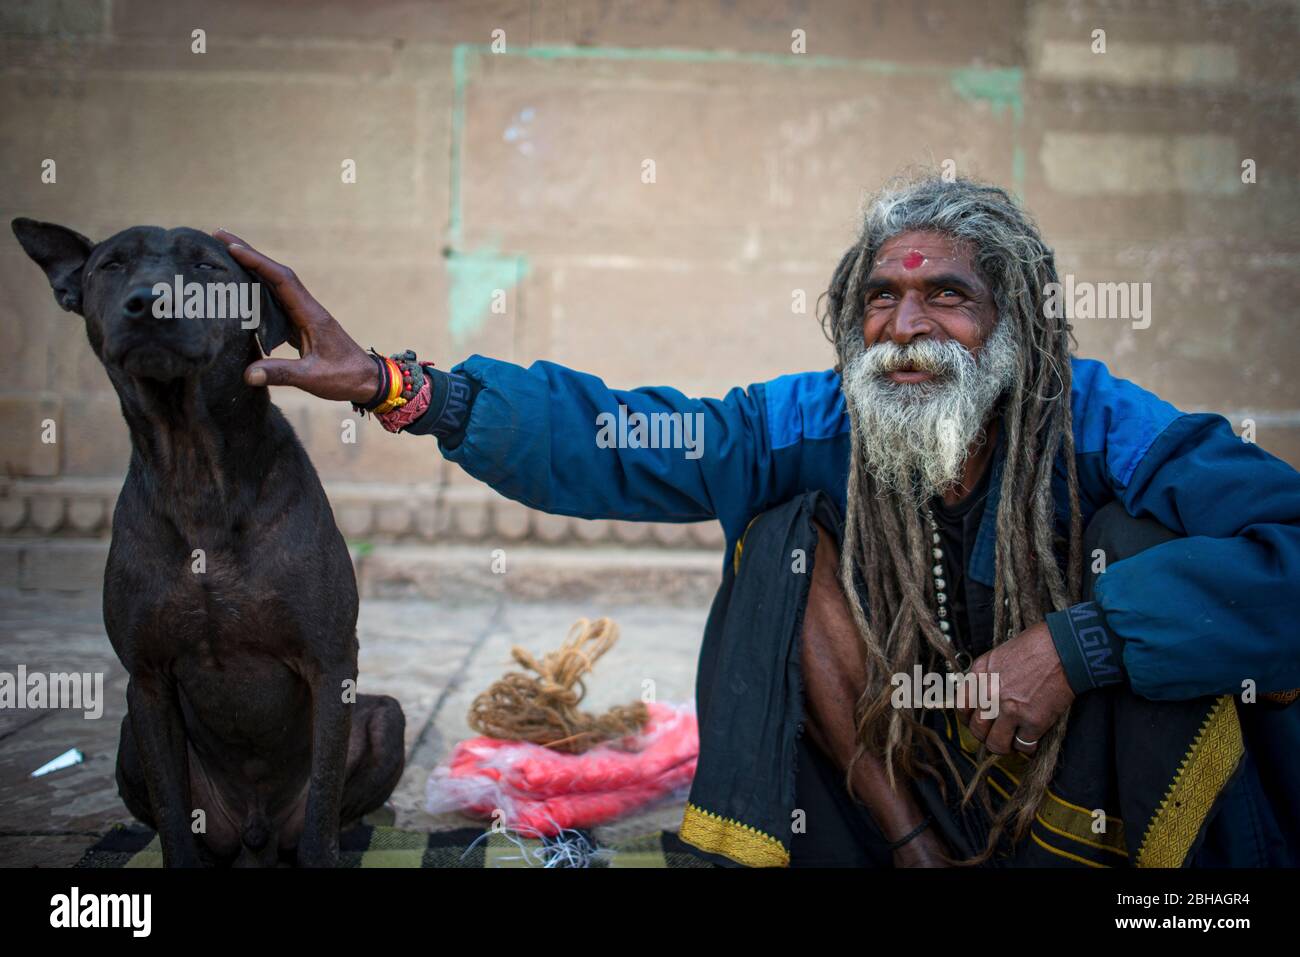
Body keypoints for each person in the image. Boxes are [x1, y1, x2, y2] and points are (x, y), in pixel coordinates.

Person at [213, 173, 1300, 867]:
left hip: (1083, 794)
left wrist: (1080, 643)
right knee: (779, 533)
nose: (904, 327)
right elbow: (626, 437)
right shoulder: (815, 420)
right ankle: (908, 855)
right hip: (899, 790)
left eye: (946, 299)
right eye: (880, 298)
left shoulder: (1106, 425)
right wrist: (399, 388)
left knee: (1152, 553)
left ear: (1011, 326)